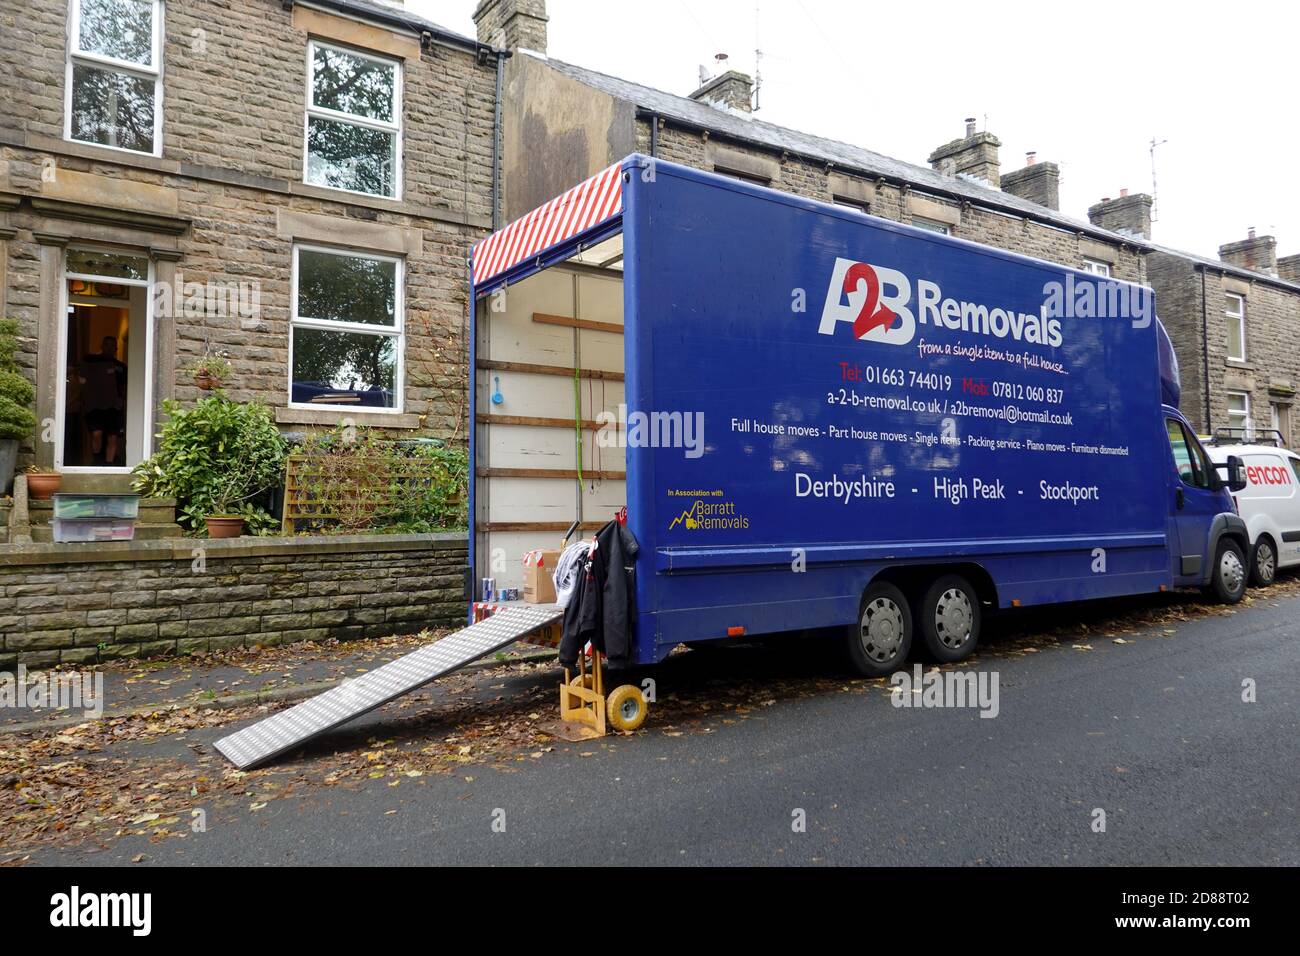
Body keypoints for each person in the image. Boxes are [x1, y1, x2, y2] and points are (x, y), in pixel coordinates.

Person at [81, 336, 127, 466]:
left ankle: (109, 464)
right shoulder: (90, 361)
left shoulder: (121, 367)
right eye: (106, 344)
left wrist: (122, 402)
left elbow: (124, 387)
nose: (109, 347)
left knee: (113, 436)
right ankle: (96, 462)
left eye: (112, 345)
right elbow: (82, 381)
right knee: (96, 434)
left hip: (114, 406)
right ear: (102, 346)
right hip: (94, 405)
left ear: (116, 349)